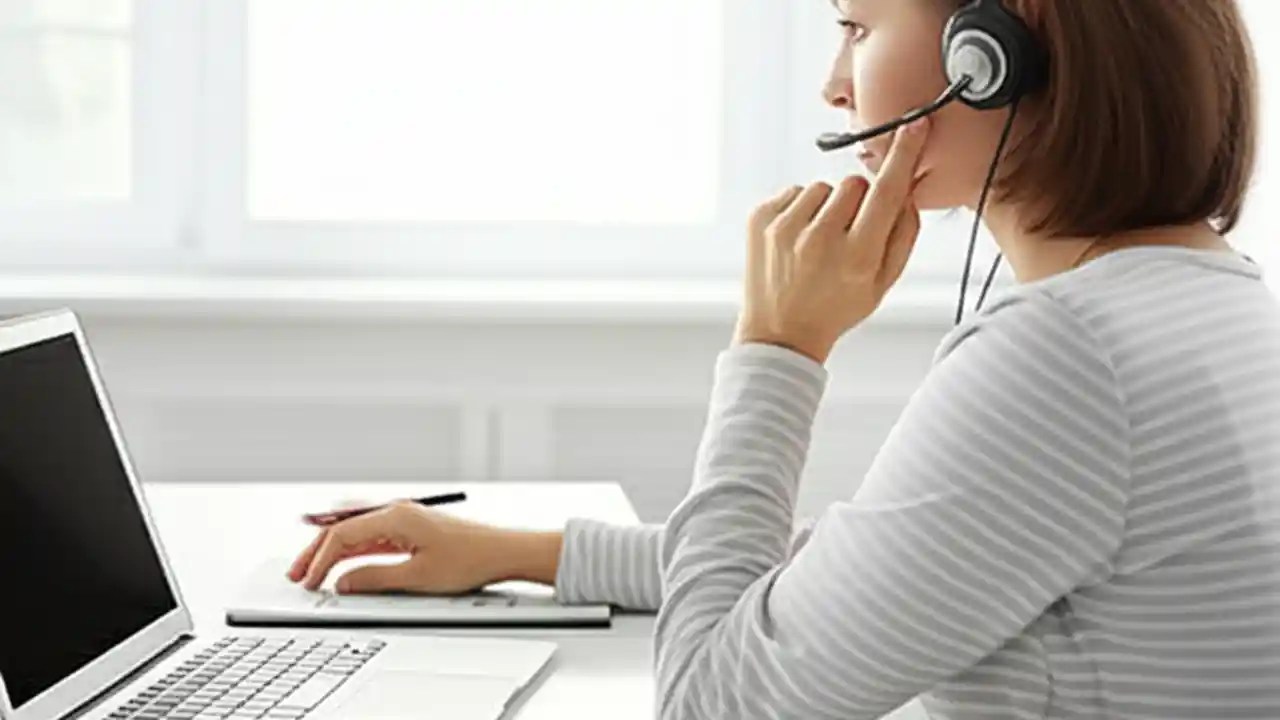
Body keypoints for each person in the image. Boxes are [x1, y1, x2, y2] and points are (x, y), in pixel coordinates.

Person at [288, 0, 1280, 717]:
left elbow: (712, 703)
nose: (831, 82)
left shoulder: (1064, 358)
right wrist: (522, 555)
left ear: (994, 50)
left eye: (854, 25)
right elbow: (888, 567)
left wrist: (777, 346)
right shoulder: (1208, 309)